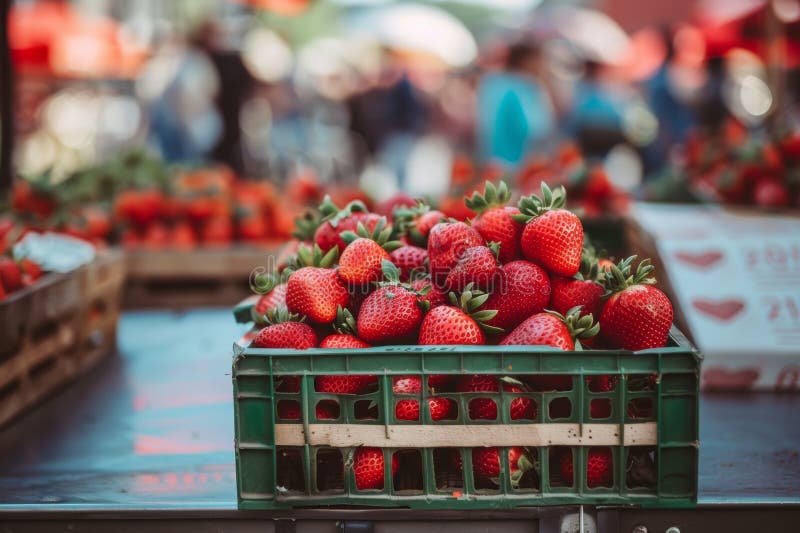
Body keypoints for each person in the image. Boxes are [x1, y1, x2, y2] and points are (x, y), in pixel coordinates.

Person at [476, 42, 554, 171]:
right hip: (518, 164)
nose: (543, 66)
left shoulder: (492, 83)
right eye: (539, 60)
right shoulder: (524, 87)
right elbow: (536, 128)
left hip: (491, 161)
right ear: (525, 61)